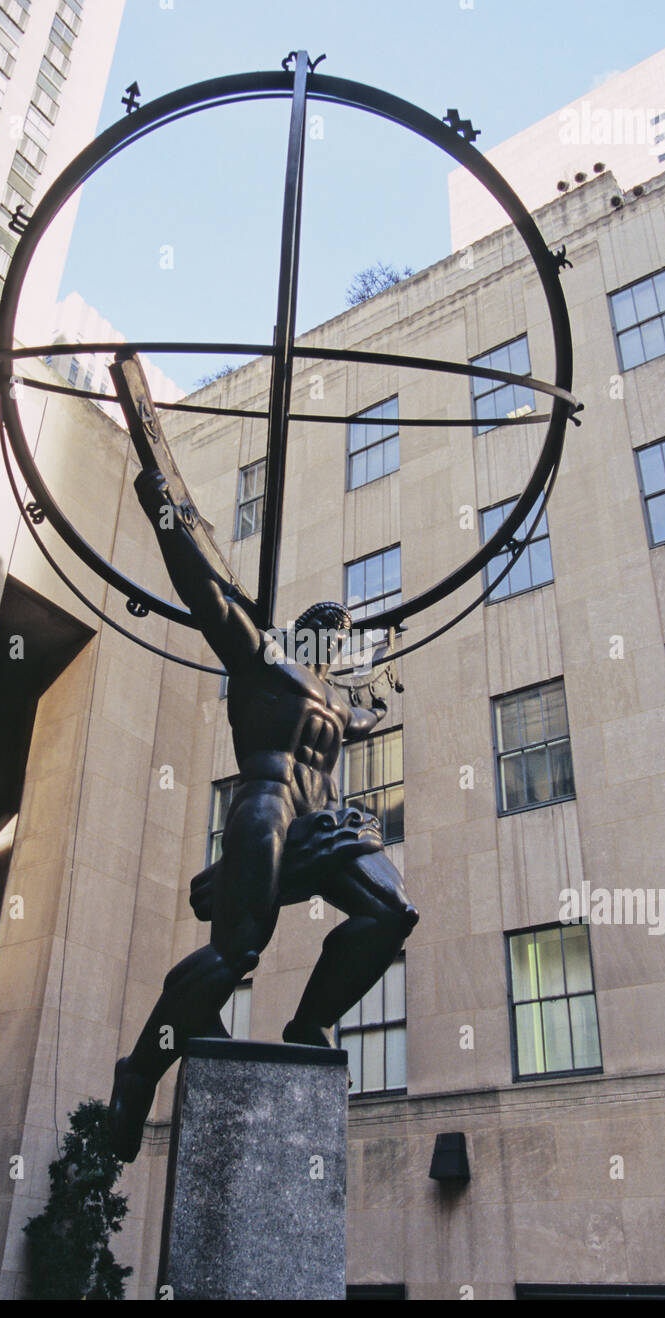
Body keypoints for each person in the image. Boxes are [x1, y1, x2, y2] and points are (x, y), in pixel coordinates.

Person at [109, 467, 418, 1160]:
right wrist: (165, 512)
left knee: (392, 913)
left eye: (342, 637)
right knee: (236, 951)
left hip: (325, 822)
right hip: (267, 807)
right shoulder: (259, 659)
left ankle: (308, 1026)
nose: (334, 644)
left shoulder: (338, 699)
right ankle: (139, 1072)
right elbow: (204, 594)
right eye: (326, 632)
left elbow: (371, 702)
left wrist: (388, 666)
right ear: (301, 631)